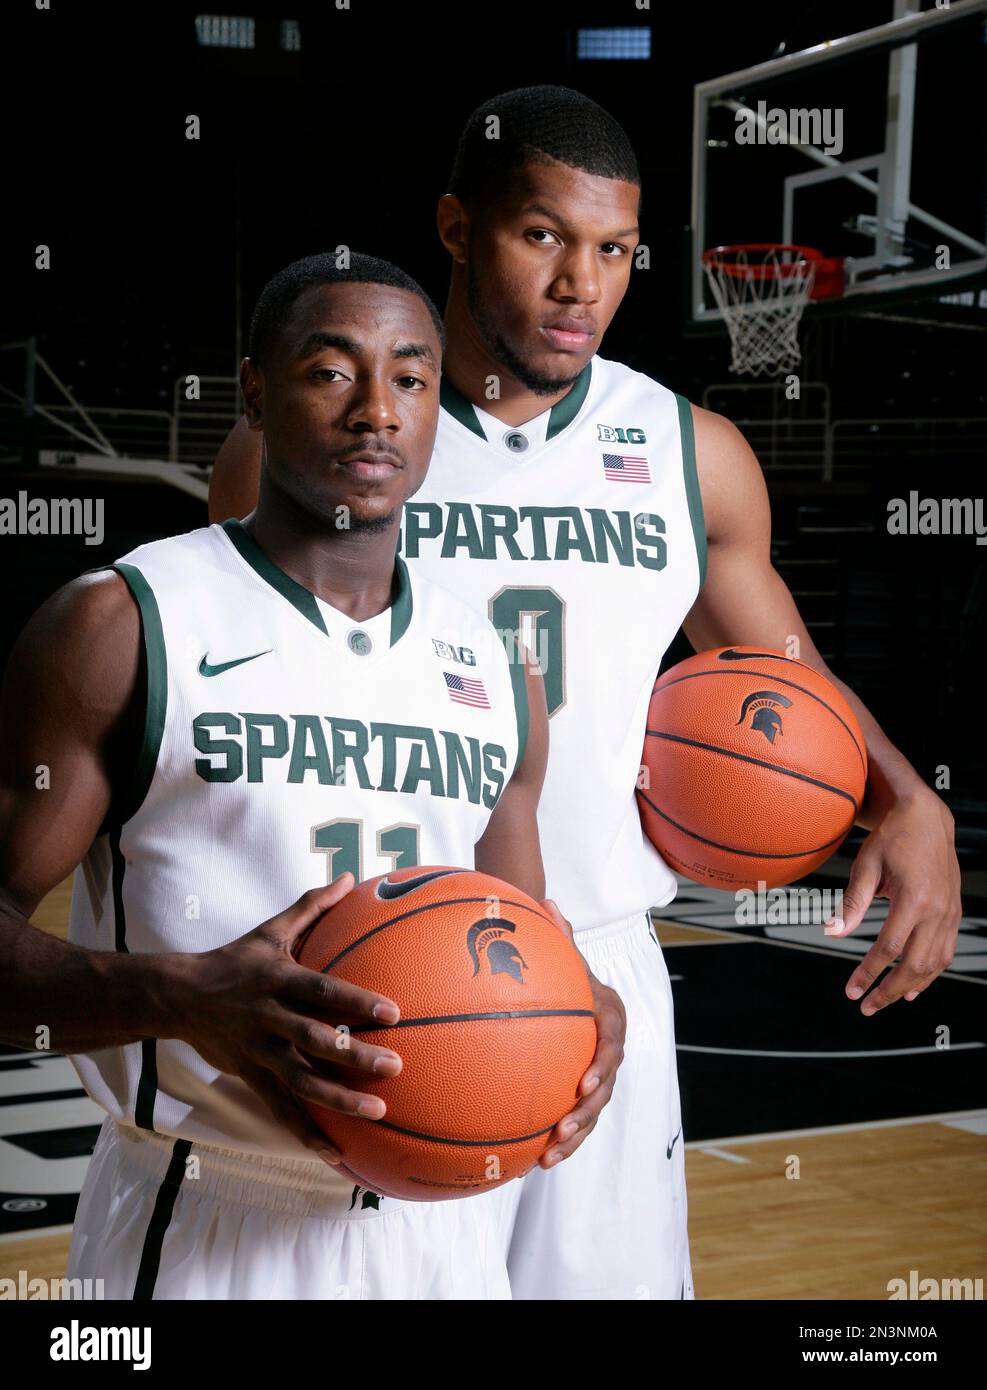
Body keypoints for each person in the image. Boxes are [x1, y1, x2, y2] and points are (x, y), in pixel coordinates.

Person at [209, 87, 962, 1301]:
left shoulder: (687, 452)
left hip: (601, 963)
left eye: (614, 250)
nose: (583, 285)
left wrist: (905, 797)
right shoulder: (325, 439)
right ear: (458, 228)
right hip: (380, 967)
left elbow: (787, 682)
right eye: (544, 236)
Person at [0, 253, 624, 1301]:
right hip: (204, 1215)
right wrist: (183, 996)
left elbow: (524, 936)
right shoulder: (124, 626)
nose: (376, 411)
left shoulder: (491, 665)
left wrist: (586, 1015)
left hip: (448, 1234)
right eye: (332, 372)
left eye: (411, 379)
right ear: (254, 392)